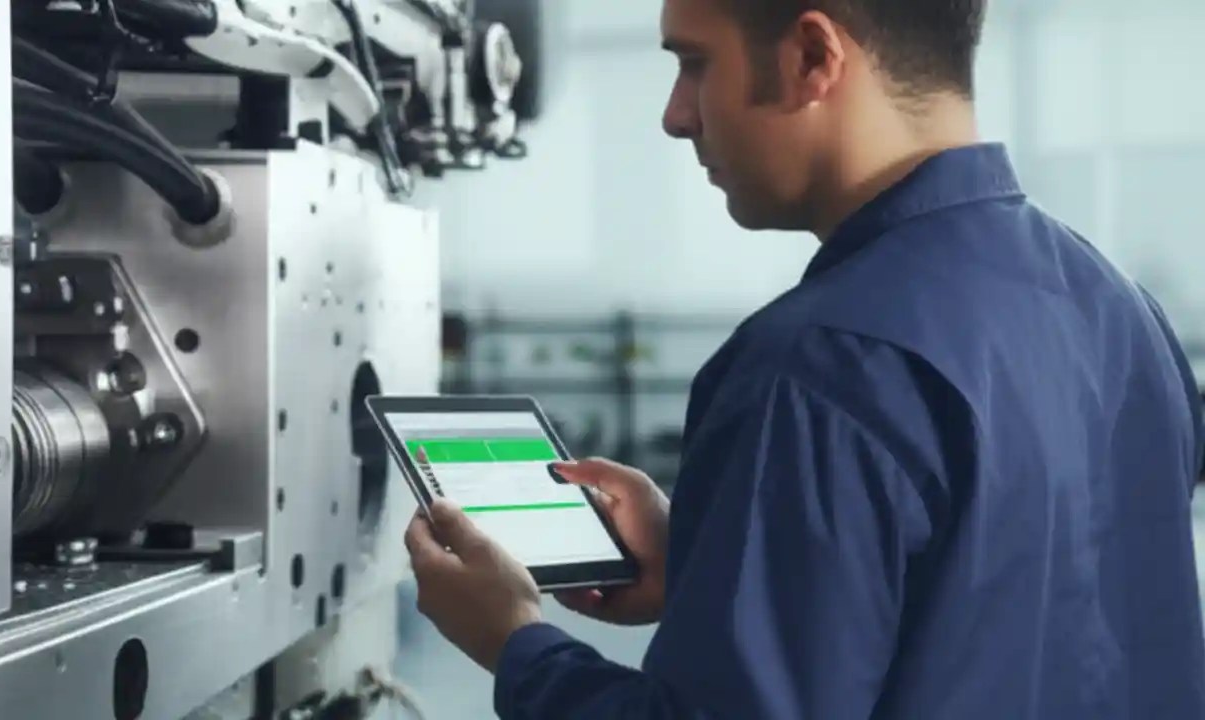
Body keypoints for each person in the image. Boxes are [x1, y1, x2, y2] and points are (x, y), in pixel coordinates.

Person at [403, 0, 1205, 717]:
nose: (676, 117)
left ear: (813, 57)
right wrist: (711, 555)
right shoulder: (1122, 312)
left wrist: (514, 642)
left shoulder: (818, 369)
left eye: (693, 63)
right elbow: (1010, 609)